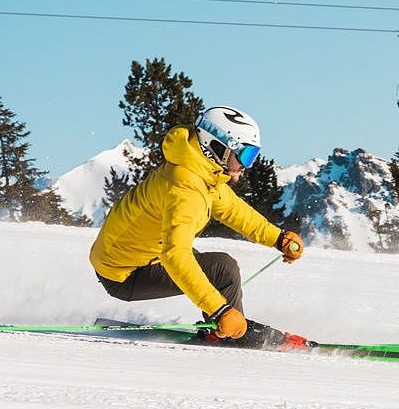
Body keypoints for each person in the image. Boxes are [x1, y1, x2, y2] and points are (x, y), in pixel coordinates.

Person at [89, 105, 305, 346]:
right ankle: (228, 333)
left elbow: (233, 210)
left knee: (217, 269)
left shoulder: (199, 171)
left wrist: (278, 238)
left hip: (134, 256)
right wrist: (221, 310)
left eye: (253, 156)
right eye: (245, 155)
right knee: (223, 270)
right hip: (125, 273)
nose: (248, 165)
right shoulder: (186, 189)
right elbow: (174, 256)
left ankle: (225, 325)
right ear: (218, 147)